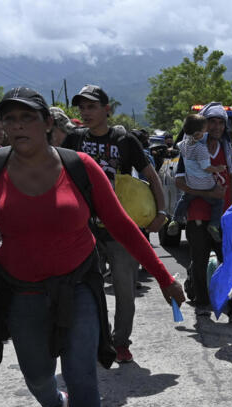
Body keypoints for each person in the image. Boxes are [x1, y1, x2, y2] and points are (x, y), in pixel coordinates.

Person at [0, 87, 186, 407]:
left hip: (78, 286)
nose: (17, 127)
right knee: (37, 375)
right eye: (10, 120)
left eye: (27, 119)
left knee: (83, 376)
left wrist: (163, 275)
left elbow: (120, 225)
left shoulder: (79, 167)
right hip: (22, 292)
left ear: (48, 124)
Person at [64, 84, 171, 362]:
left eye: (92, 107)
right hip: (84, 229)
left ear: (106, 109)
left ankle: (120, 341)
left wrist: (161, 211)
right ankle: (98, 337)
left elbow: (151, 175)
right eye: (82, 108)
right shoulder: (73, 141)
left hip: (121, 227)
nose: (86, 113)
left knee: (125, 291)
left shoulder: (124, 140)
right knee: (88, 289)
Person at [175, 102, 232, 324]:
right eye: (212, 122)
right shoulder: (191, 146)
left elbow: (231, 180)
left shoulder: (227, 148)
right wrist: (208, 192)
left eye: (220, 122)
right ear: (204, 125)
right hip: (198, 213)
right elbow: (179, 181)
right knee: (199, 260)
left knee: (231, 261)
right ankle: (202, 304)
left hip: (223, 216)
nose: (216, 126)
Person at [170, 113, 225, 236]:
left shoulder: (183, 145)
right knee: (218, 201)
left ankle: (175, 220)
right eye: (205, 130)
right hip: (205, 184)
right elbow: (206, 167)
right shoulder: (201, 149)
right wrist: (218, 168)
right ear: (199, 133)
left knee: (184, 200)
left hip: (191, 184)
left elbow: (176, 146)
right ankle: (214, 225)